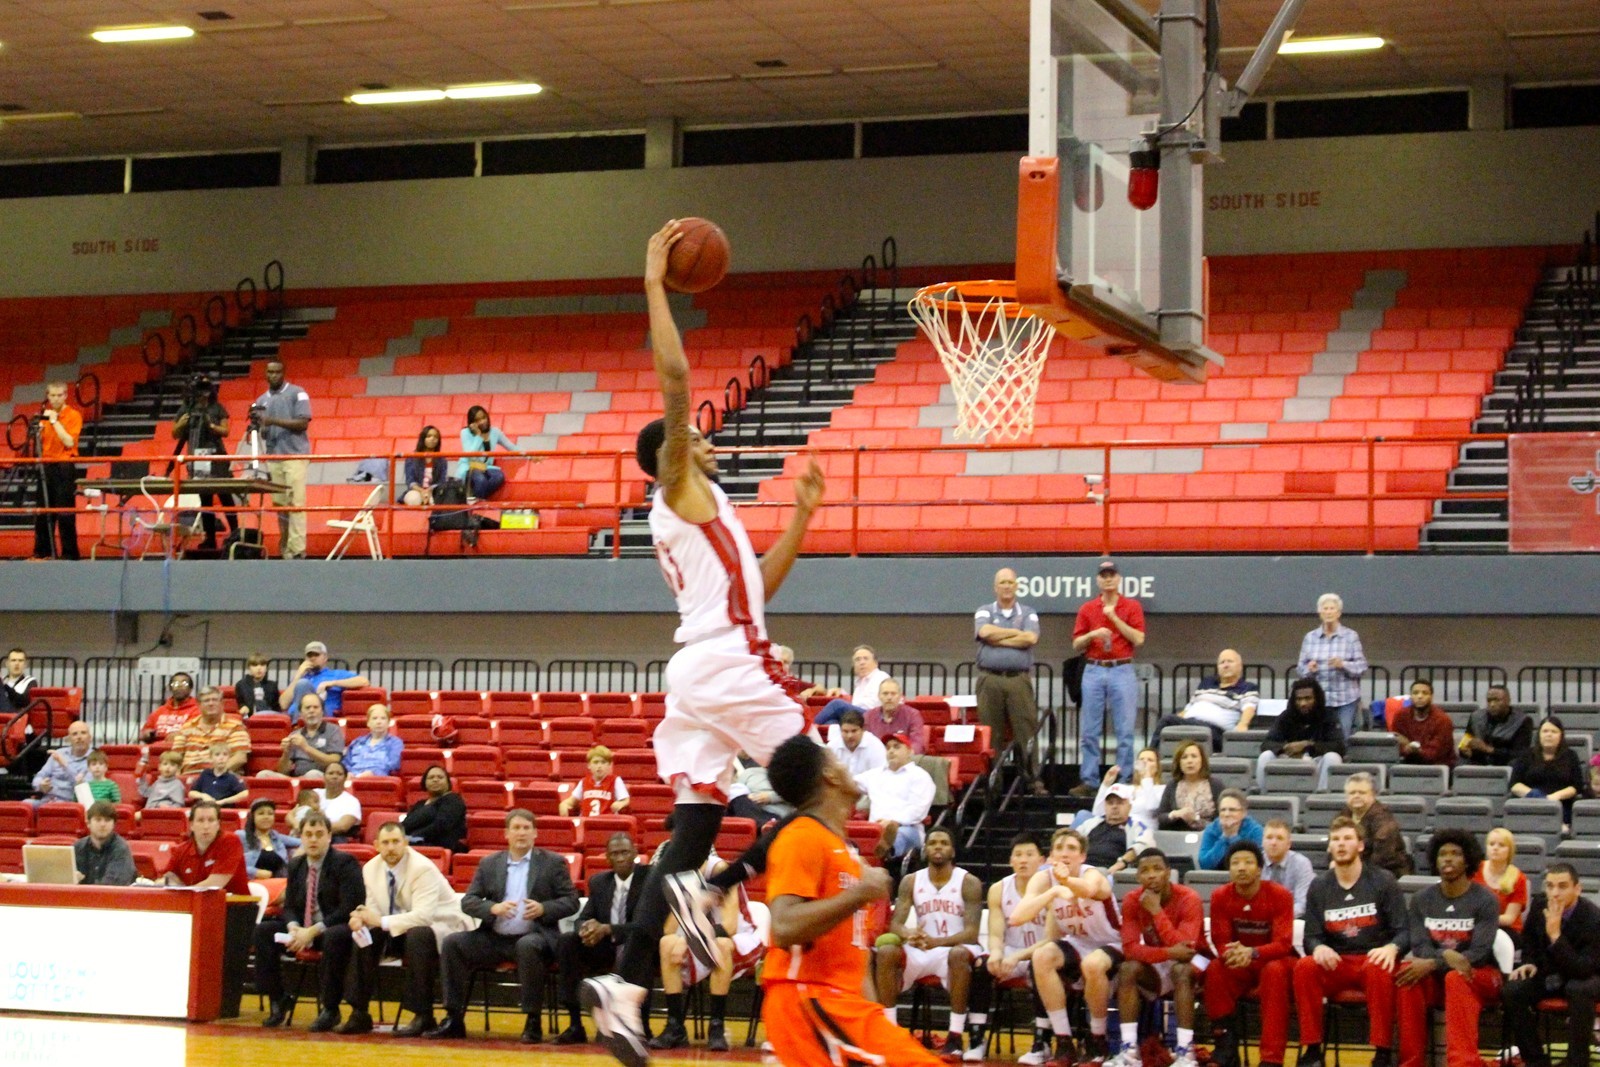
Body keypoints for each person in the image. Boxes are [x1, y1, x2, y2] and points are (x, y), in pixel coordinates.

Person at [579, 222, 825, 1067]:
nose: (710, 440)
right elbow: (677, 379)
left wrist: (800, 519)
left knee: (688, 830)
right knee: (831, 791)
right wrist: (655, 281)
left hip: (699, 668)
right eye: (695, 438)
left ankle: (626, 989)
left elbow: (759, 587)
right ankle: (722, 894)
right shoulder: (680, 484)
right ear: (672, 456)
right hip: (725, 660)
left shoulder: (705, 515)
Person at [429, 809, 580, 1043]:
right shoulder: (489, 863)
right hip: (494, 938)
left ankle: (532, 1021)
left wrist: (544, 908)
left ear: (535, 833)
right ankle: (453, 1018)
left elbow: (571, 901)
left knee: (527, 946)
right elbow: (468, 901)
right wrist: (492, 908)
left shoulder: (552, 863)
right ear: (506, 834)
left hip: (536, 937)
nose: (521, 833)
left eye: (526, 828)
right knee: (453, 943)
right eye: (516, 828)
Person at [1292, 816, 1408, 1067]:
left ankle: (1383, 1052)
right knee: (1304, 967)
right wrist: (1319, 947)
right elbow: (1311, 936)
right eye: (1336, 839)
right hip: (1338, 961)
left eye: (1347, 838)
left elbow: (1404, 931)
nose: (1341, 844)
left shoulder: (1383, 880)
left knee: (1379, 967)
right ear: (1330, 846)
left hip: (1372, 959)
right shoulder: (1319, 886)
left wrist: (1392, 947)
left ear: (1361, 845)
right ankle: (1312, 1051)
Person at [348, 821, 474, 1037]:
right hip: (401, 927)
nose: (391, 848)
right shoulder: (370, 868)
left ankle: (423, 1015)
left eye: (396, 842)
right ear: (376, 845)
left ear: (405, 843)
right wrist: (361, 919)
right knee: (366, 935)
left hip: (442, 925)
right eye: (385, 843)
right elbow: (374, 911)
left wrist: (380, 920)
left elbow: (423, 916)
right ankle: (359, 1012)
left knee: (418, 935)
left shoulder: (422, 867)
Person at [1011, 827, 1124, 1067]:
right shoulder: (1043, 879)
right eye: (1059, 848)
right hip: (1078, 942)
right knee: (1041, 956)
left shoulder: (1093, 874)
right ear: (1051, 856)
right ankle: (1063, 1042)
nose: (1064, 853)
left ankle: (1097, 1039)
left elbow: (1089, 890)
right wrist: (1053, 890)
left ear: (1082, 856)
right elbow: (1017, 917)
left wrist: (1065, 881)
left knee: (1093, 964)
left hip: (1112, 941)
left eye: (1071, 848)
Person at [875, 828, 989, 1059]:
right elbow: (895, 924)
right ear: (925, 849)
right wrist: (908, 934)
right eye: (933, 842)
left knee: (958, 955)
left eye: (944, 843)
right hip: (923, 949)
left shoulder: (969, 882)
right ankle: (890, 1032)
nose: (938, 846)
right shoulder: (910, 881)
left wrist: (939, 941)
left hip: (955, 948)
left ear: (953, 851)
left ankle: (954, 1036)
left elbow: (971, 933)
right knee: (886, 951)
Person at [1394, 829, 1502, 1067]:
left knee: (1456, 977)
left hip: (1481, 976)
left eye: (1456, 854)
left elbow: (1479, 953)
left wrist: (1436, 961)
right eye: (1443, 854)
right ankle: (1410, 1063)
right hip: (1440, 975)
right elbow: (1420, 946)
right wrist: (1443, 957)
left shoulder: (1486, 900)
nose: (1448, 859)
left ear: (1468, 860)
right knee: (1407, 976)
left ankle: (1462, 1063)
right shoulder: (1421, 899)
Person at [253, 812, 366, 1032]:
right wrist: (293, 927)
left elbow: (349, 908)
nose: (313, 839)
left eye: (319, 834)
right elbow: (289, 907)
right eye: (308, 834)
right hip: (302, 928)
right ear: (301, 837)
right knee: (264, 931)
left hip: (331, 928)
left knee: (334, 936)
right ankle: (278, 999)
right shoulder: (296, 864)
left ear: (329, 836)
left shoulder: (345, 863)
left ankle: (330, 1009)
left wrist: (313, 931)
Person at [656, 847, 764, 1052]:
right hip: (702, 938)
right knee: (667, 943)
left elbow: (729, 927)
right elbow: (669, 929)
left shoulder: (720, 870)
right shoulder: (679, 876)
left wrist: (687, 939)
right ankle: (675, 1026)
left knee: (721, 945)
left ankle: (716, 1027)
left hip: (740, 937)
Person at [1107, 848, 1204, 1067]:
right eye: (1145, 871)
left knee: (1181, 970)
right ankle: (1129, 1050)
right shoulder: (1132, 900)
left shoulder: (1189, 898)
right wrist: (1168, 953)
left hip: (1198, 959)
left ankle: (1186, 1051)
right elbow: (1130, 949)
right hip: (1164, 959)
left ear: (1168, 872)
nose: (1151, 875)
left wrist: (1156, 911)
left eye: (1157, 869)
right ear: (1137, 876)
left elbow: (1186, 948)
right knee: (1127, 969)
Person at [1205, 841, 1297, 1067]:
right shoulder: (1220, 896)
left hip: (1275, 960)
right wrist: (1233, 954)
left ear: (1259, 869)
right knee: (1216, 969)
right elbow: (1221, 941)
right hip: (1241, 961)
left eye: (1248, 862)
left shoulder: (1280, 895)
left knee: (1274, 971)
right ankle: (1225, 1048)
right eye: (1235, 863)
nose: (1241, 868)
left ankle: (1271, 1059)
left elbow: (1283, 944)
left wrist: (1253, 952)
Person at [1501, 863, 1600, 1067]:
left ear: (1577, 889)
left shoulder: (1593, 917)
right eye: (1550, 886)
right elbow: (1528, 942)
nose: (1554, 893)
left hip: (1584, 977)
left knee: (1579, 988)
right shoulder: (1540, 906)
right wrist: (1528, 963)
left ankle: (1576, 1062)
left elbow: (1583, 969)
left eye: (1562, 886)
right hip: (1549, 975)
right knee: (1513, 991)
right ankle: (1536, 1061)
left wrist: (1555, 936)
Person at [555, 833, 647, 1045]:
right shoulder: (599, 882)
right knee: (568, 941)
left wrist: (607, 929)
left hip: (636, 947)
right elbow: (584, 917)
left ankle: (638, 1026)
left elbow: (645, 926)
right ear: (607, 858)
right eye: (615, 854)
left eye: (625, 852)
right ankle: (575, 1023)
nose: (620, 858)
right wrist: (586, 930)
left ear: (635, 853)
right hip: (606, 948)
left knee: (639, 946)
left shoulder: (648, 879)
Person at [1071, 560, 1146, 796]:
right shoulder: (1087, 609)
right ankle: (1090, 780)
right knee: (1089, 730)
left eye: (1112, 575)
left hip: (1122, 668)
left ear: (1119, 578)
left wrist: (1114, 619)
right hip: (1094, 668)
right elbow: (1076, 644)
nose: (1108, 579)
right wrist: (1092, 634)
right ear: (1098, 580)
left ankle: (1124, 779)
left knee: (1125, 730)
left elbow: (1138, 639)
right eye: (1104, 575)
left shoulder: (1131, 606)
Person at [975, 566, 1047, 795]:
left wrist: (998, 639)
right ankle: (992, 783)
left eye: (1010, 582)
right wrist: (1016, 635)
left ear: (1016, 586)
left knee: (1026, 730)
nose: (1006, 586)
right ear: (995, 587)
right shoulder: (984, 610)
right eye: (1002, 582)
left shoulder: (1028, 612)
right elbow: (984, 632)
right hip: (989, 680)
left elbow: (1031, 638)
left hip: (1018, 680)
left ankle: (1032, 781)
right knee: (991, 734)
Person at [986, 833, 1051, 1066]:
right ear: (1010, 860)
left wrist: (1018, 956)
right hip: (1011, 952)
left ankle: (1041, 1041)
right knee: (980, 966)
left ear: (1042, 860)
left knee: (1039, 965)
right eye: (1018, 855)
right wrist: (996, 952)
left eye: (1029, 854)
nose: (1023, 860)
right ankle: (974, 1036)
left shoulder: (1052, 888)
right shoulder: (998, 889)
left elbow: (1053, 938)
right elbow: (996, 933)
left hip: (1044, 953)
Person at [253, 358, 313, 559]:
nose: (273, 375)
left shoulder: (298, 393)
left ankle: (298, 550)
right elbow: (263, 432)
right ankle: (286, 548)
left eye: (277, 372)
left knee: (296, 503)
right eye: (270, 372)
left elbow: (302, 424)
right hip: (274, 457)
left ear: (283, 373)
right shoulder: (261, 400)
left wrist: (272, 421)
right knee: (280, 505)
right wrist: (260, 428)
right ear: (265, 374)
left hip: (295, 455)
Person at [171, 373, 237, 552]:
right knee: (205, 499)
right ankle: (210, 539)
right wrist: (182, 423)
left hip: (217, 456)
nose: (204, 392)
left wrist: (211, 425)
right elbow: (175, 433)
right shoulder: (187, 408)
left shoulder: (217, 408)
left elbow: (225, 431)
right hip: (198, 456)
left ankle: (235, 534)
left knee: (226, 497)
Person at [1153, 649, 1260, 753]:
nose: (1225, 665)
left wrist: (1243, 724)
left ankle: (1152, 755)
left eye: (1230, 661)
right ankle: (1151, 756)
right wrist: (1178, 718)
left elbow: (1249, 708)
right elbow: (1190, 706)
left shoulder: (1248, 687)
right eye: (1222, 662)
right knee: (1167, 721)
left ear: (1240, 666)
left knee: (1172, 721)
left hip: (1216, 731)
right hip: (1191, 722)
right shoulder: (1207, 683)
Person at [853, 733, 937, 863]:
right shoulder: (875, 774)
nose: (891, 751)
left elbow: (918, 811)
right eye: (888, 748)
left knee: (900, 835)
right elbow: (849, 783)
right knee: (854, 833)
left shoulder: (920, 776)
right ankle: (881, 848)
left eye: (896, 747)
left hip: (908, 828)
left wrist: (894, 822)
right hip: (874, 829)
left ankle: (886, 850)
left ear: (909, 751)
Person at [1296, 593, 1368, 738]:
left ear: (1338, 613)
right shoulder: (1310, 638)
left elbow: (1362, 667)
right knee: (1317, 736)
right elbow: (1300, 668)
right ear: (1319, 612)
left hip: (1345, 699)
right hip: (1319, 699)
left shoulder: (1350, 636)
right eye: (1325, 609)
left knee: (1342, 736)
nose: (1328, 612)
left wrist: (1343, 665)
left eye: (1332, 608)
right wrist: (1309, 669)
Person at [1256, 676, 1346, 791]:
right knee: (1266, 756)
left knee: (1333, 757)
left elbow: (1339, 747)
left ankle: (1322, 796)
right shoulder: (1286, 716)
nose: (1303, 703)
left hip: (1316, 761)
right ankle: (1262, 794)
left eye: (1308, 698)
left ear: (1317, 699)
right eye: (1298, 699)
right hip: (1289, 761)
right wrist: (1286, 747)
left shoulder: (1328, 715)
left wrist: (1307, 745)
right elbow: (1266, 744)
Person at [32, 380, 82, 560]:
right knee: (43, 511)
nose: (55, 399)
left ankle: (69, 554)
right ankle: (42, 552)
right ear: (48, 396)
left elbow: (69, 441)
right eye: (52, 395)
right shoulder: (43, 417)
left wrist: (54, 421)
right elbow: (38, 444)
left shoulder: (73, 415)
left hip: (64, 466)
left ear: (66, 395)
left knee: (65, 512)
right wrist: (40, 428)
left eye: (59, 395)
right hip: (46, 466)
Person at [1511, 716, 1587, 825]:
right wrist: (1536, 796)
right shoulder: (1526, 755)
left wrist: (1553, 797)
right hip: (1530, 805)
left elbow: (1576, 786)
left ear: (1561, 735)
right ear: (1539, 734)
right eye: (1545, 731)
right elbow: (1514, 785)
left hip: (1561, 807)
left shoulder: (1571, 755)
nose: (1549, 735)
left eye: (1554, 731)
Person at [165, 800, 250, 892]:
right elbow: (168, 877)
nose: (206, 826)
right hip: (194, 899)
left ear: (218, 824)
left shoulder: (230, 841)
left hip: (234, 900)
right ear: (191, 825)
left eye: (211, 820)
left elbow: (215, 884)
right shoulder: (180, 850)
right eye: (200, 820)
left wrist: (185, 894)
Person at [1339, 771, 1411, 877]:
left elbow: (1382, 857)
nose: (1356, 796)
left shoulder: (1384, 819)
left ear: (1373, 795)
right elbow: (1334, 843)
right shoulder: (1344, 814)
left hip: (1385, 874)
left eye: (1362, 793)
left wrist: (1354, 870)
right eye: (1352, 793)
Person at [167, 686, 250, 775]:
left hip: (222, 777)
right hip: (189, 777)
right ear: (199, 705)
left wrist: (213, 775)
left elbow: (240, 758)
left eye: (214, 700)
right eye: (206, 701)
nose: (211, 703)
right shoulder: (186, 727)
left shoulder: (236, 726)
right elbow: (175, 757)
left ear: (222, 703)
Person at [262, 691, 344, 779]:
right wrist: (286, 753)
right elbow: (283, 771)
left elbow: (335, 761)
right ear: (301, 713)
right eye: (307, 708)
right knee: (263, 775)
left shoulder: (334, 730)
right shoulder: (294, 735)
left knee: (312, 774)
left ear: (322, 711)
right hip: (296, 778)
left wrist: (306, 747)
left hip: (322, 777)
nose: (311, 711)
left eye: (315, 707)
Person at [1080, 784, 1156, 874]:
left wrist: (1122, 863)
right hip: (1081, 869)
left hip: (1111, 871)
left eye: (1120, 803)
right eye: (1110, 803)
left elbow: (1145, 844)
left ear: (1129, 807)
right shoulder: (1090, 824)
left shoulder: (1137, 827)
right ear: (1105, 806)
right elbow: (1072, 838)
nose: (1114, 807)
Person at [282, 641, 369, 718]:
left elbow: (364, 681)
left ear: (325, 657)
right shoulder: (301, 678)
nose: (312, 658)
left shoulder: (336, 674)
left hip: (322, 716)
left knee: (303, 684)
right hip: (295, 716)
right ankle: (296, 722)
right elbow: (283, 704)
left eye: (316, 655)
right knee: (302, 684)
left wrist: (332, 683)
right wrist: (298, 675)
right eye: (309, 655)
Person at [813, 645, 893, 727]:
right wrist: (842, 692)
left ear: (875, 663)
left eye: (866, 658)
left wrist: (847, 705)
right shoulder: (860, 682)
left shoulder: (881, 677)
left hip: (874, 716)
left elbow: (873, 704)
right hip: (859, 714)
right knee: (831, 722)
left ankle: (809, 727)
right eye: (858, 659)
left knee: (836, 704)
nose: (862, 662)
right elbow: (856, 703)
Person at [1474, 827, 1528, 938]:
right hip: (1477, 926)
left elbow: (1509, 918)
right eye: (1491, 844)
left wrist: (1482, 920)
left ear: (1510, 851)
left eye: (1501, 845)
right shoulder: (1474, 870)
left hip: (1506, 930)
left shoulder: (1519, 878)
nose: (1495, 848)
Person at [1459, 685, 1532, 766]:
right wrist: (1464, 750)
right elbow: (1465, 742)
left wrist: (1488, 749)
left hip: (1505, 763)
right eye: (1489, 700)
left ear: (1508, 701)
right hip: (1478, 762)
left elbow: (1520, 754)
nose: (1492, 704)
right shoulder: (1475, 717)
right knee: (1461, 762)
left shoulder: (1522, 720)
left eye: (1497, 700)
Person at [1390, 679, 1456, 767]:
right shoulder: (1400, 716)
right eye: (1415, 693)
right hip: (1407, 764)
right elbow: (1394, 746)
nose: (1420, 696)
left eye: (1425, 693)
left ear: (1431, 697)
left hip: (1437, 767)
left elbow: (1433, 755)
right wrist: (1407, 748)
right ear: (1411, 696)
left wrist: (1410, 745)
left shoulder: (1443, 720)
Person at [457, 404, 516, 500]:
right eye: (477, 420)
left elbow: (511, 447)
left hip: (485, 467)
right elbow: (470, 455)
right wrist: (478, 436)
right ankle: (479, 502)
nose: (482, 422)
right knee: (480, 479)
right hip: (470, 467)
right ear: (472, 423)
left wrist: (530, 456)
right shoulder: (465, 433)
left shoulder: (495, 432)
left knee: (499, 476)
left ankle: (477, 499)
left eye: (483, 418)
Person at [403, 764, 468, 852]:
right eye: (431, 777)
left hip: (442, 848)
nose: (435, 780)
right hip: (413, 844)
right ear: (424, 782)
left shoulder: (453, 800)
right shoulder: (419, 804)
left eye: (440, 777)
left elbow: (441, 825)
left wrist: (413, 837)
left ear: (448, 782)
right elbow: (406, 824)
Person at [1092, 746, 1163, 827]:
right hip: (1118, 828)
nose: (1144, 762)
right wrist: (1105, 784)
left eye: (1150, 760)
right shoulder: (1125, 788)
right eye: (1141, 759)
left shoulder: (1162, 789)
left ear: (1157, 767)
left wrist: (1147, 777)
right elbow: (1097, 813)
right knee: (1083, 814)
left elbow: (1152, 808)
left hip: (1142, 829)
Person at [1198, 789, 1264, 871]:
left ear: (1244, 813)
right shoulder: (1211, 829)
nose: (1227, 814)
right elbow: (1204, 864)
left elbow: (1257, 864)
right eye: (1223, 810)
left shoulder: (1255, 830)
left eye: (1232, 810)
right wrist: (1224, 837)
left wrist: (1233, 837)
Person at [1157, 740, 1216, 832]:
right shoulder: (1172, 785)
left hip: (1208, 834)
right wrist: (1175, 814)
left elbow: (1222, 820)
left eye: (1194, 756)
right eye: (1184, 757)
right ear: (1179, 762)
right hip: (1178, 835)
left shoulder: (1215, 785)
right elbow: (1161, 818)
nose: (1189, 761)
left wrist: (1195, 818)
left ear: (1202, 760)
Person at [30, 720, 92, 806]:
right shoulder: (59, 753)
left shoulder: (94, 759)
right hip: (47, 801)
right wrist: (41, 785)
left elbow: (83, 788)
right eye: (75, 734)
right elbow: (39, 776)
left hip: (71, 804)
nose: (79, 737)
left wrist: (65, 765)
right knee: (24, 805)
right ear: (69, 739)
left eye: (83, 733)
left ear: (90, 737)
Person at [74, 801, 136, 886]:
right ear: (88, 823)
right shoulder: (78, 847)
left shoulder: (121, 849)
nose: (102, 824)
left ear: (114, 824)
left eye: (107, 820)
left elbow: (112, 885)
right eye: (98, 820)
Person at [1261, 818, 1315, 917]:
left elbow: (1302, 904)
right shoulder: (1255, 863)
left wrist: (1277, 917)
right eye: (1269, 837)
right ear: (1262, 842)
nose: (1273, 843)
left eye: (1279, 838)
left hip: (1291, 920)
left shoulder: (1302, 864)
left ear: (1289, 844)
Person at [560, 745, 631, 816]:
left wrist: (620, 804)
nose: (599, 766)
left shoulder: (615, 780)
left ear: (609, 765)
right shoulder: (584, 782)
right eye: (596, 762)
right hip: (586, 820)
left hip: (607, 820)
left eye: (603, 762)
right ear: (589, 765)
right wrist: (564, 804)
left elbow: (626, 800)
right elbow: (572, 801)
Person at [862, 678, 928, 754]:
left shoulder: (912, 715)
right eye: (885, 693)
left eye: (893, 694)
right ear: (879, 696)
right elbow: (864, 743)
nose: (889, 697)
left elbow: (917, 744)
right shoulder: (868, 716)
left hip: (903, 758)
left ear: (900, 696)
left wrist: (906, 756)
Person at [238, 798, 300, 878]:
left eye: (270, 814)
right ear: (252, 817)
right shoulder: (241, 836)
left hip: (279, 881)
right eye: (261, 813)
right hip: (251, 881)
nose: (266, 817)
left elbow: (304, 842)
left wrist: (295, 856)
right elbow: (233, 865)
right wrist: (255, 872)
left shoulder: (277, 837)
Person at [344, 703, 403, 778]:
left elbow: (394, 764)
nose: (379, 722)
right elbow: (346, 763)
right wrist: (348, 772)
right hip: (353, 777)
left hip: (378, 779)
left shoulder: (395, 743)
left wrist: (374, 772)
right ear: (368, 723)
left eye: (383, 718)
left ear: (388, 723)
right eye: (374, 718)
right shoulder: (357, 742)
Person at [826, 708, 888, 775]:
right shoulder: (832, 747)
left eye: (854, 731)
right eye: (845, 731)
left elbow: (880, 776)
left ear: (863, 729)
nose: (849, 736)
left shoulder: (875, 746)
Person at [140, 671, 199, 741]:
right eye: (175, 683)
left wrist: (180, 734)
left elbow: (197, 733)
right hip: (156, 746)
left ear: (190, 689)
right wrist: (147, 733)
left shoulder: (197, 711)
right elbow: (143, 733)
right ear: (170, 688)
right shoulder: (159, 711)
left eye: (184, 683)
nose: (179, 686)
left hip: (181, 746)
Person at [403, 424, 450, 506]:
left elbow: (441, 481)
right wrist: (422, 491)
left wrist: (429, 490)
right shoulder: (412, 458)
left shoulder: (442, 460)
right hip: (416, 491)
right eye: (429, 436)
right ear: (423, 438)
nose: (432, 439)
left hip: (434, 491)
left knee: (436, 501)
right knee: (413, 500)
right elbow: (410, 480)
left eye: (435, 437)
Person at [316, 761, 362, 840]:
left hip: (335, 838)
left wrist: (315, 830)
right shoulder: (314, 794)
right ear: (324, 777)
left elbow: (343, 826)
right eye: (331, 773)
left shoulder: (351, 801)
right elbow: (294, 814)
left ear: (345, 778)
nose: (334, 776)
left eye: (339, 774)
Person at [233, 653, 282, 718]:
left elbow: (276, 706)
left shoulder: (272, 685)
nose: (259, 668)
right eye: (255, 665)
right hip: (249, 717)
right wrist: (243, 707)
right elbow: (241, 703)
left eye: (262, 665)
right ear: (249, 668)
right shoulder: (241, 685)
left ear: (266, 668)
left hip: (270, 717)